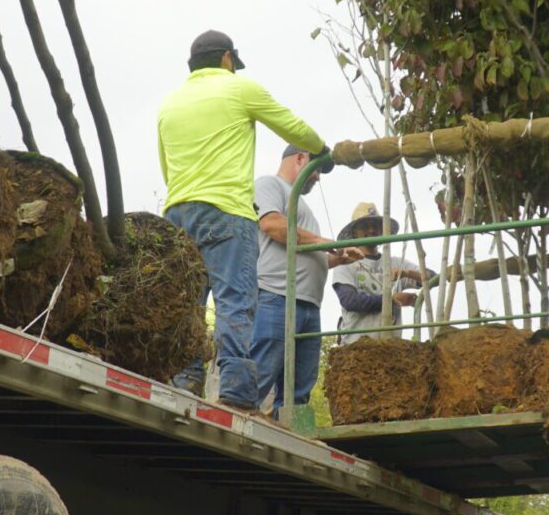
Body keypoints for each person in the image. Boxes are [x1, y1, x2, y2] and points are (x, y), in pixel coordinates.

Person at [157, 30, 327, 411]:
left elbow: (166, 165)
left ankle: (185, 378)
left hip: (178, 210)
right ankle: (235, 389)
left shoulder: (169, 104)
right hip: (226, 212)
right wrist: (321, 150)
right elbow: (293, 128)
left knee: (188, 303)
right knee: (234, 301)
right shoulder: (237, 88)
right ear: (227, 59)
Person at [252, 146, 364, 416]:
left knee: (299, 386)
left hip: (309, 305)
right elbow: (272, 225)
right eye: (316, 170)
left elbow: (304, 254)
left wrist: (337, 259)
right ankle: (239, 423)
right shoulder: (269, 185)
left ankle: (289, 438)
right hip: (277, 296)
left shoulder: (305, 209)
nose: (318, 178)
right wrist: (321, 241)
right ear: (300, 158)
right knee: (261, 371)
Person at [330, 201, 428, 334]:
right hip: (357, 346)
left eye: (375, 225)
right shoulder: (346, 262)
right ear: (354, 233)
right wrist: (392, 300)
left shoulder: (395, 262)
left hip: (392, 345)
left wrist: (407, 273)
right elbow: (350, 301)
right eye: (365, 226)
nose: (371, 230)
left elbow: (431, 277)